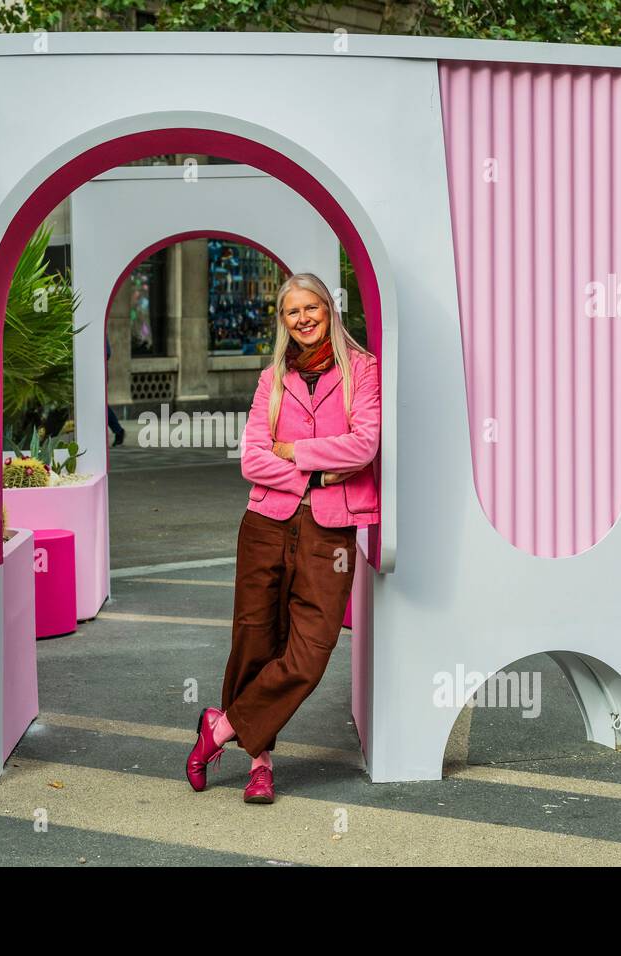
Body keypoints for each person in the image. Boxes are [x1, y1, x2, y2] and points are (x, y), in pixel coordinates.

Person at [185, 272, 380, 804]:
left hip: (331, 530)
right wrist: (317, 471)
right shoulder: (272, 378)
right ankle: (260, 764)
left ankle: (220, 729)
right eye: (292, 312)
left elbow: (363, 445)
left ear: (329, 309)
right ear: (283, 321)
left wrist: (292, 451)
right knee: (254, 639)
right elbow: (251, 458)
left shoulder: (363, 371)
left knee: (310, 652)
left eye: (311, 307)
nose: (303, 319)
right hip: (265, 525)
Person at [105, 335, 124, 446]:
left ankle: (118, 430)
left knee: (100, 405)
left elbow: (107, 353)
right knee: (100, 405)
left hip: (98, 371)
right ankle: (118, 430)